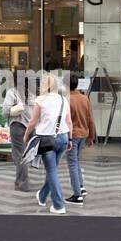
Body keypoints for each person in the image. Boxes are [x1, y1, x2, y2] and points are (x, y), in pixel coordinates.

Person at [28, 73, 72, 214]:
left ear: (44, 85)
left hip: (47, 140)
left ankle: (59, 205)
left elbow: (33, 121)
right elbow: (69, 121)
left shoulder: (40, 100)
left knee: (51, 171)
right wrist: (70, 139)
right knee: (52, 169)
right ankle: (42, 195)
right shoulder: (63, 100)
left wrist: (25, 135)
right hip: (63, 138)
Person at [65, 83, 97, 205]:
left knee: (72, 163)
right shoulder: (85, 98)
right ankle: (81, 186)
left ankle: (77, 195)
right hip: (83, 134)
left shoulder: (67, 99)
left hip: (72, 135)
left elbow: (65, 120)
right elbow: (91, 119)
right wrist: (91, 136)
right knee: (76, 160)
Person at [3, 79, 34, 192]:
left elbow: (5, 110)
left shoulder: (13, 92)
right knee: (23, 154)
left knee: (19, 155)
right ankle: (18, 181)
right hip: (30, 127)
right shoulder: (32, 93)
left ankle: (23, 183)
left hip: (17, 126)